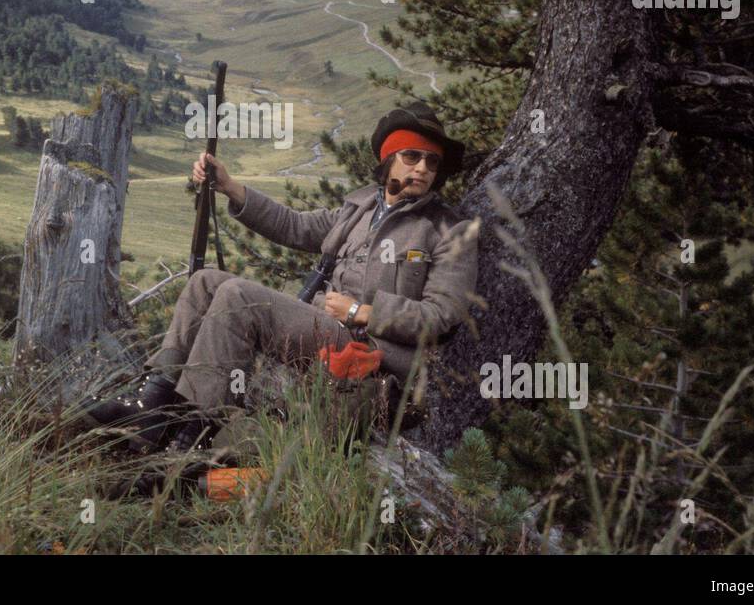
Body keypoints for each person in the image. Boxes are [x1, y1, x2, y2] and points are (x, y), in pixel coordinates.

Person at [84, 102, 479, 451]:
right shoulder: (360, 207)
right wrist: (230, 188)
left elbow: (444, 316)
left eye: (432, 162)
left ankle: (191, 431)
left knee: (239, 296)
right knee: (205, 282)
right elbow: (295, 226)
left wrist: (363, 311)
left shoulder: (448, 230)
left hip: (368, 350)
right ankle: (152, 402)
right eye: (412, 157)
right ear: (389, 160)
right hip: (325, 330)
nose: (424, 169)